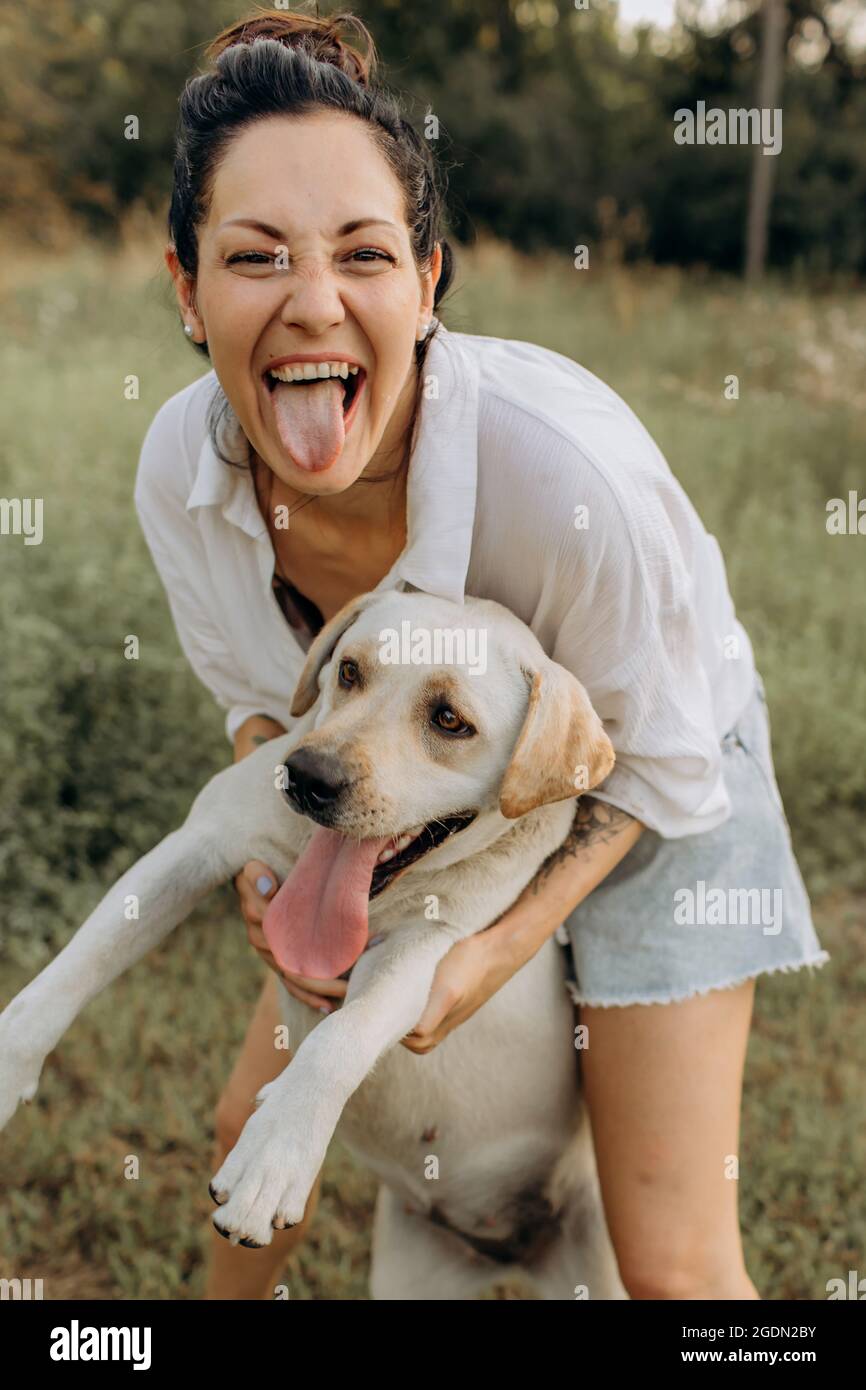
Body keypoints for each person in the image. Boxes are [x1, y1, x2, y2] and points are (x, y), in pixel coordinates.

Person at [135, 9, 828, 1301]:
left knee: (672, 1263)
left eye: (362, 254)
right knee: (252, 1123)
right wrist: (287, 879)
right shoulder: (180, 474)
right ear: (185, 287)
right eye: (253, 256)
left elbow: (656, 760)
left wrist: (485, 953)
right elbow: (262, 711)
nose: (312, 302)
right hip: (398, 780)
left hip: (654, 775)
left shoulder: (558, 471)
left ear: (427, 279)